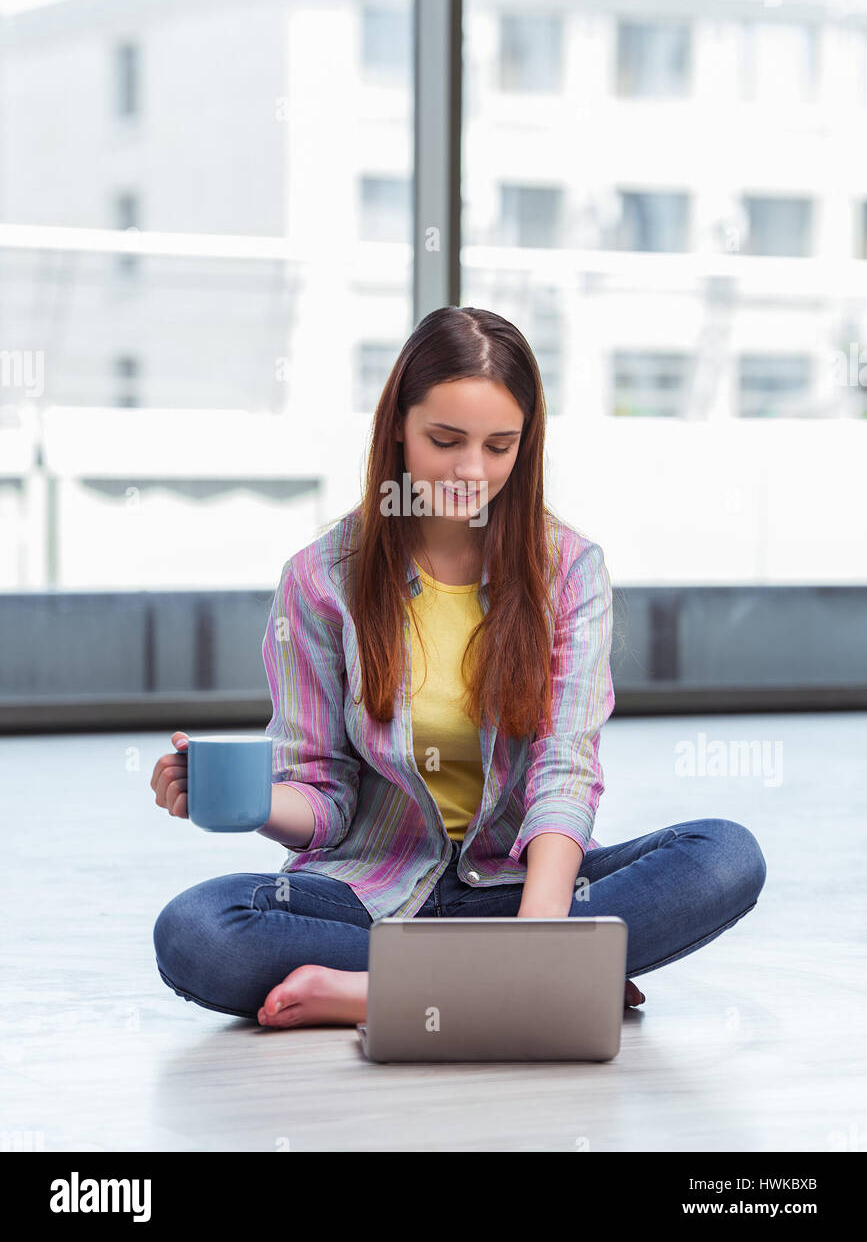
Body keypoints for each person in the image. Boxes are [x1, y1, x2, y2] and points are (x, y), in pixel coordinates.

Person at [151, 305, 767, 1029]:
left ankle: (396, 990)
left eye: (499, 446)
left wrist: (539, 923)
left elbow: (564, 770)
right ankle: (537, 983)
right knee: (198, 930)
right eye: (445, 441)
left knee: (724, 856)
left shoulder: (568, 569)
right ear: (397, 431)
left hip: (520, 884)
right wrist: (246, 802)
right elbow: (322, 798)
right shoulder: (320, 578)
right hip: (369, 892)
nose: (472, 471)